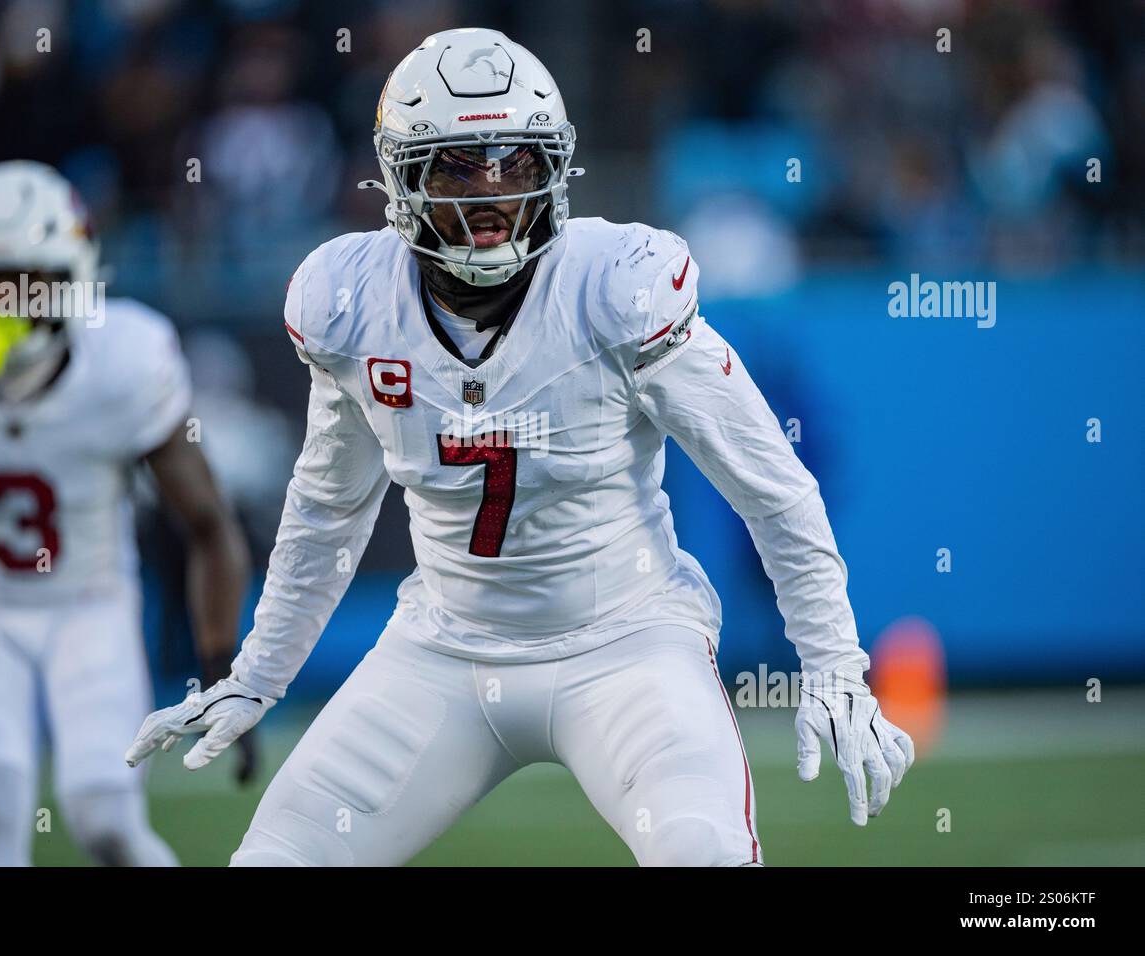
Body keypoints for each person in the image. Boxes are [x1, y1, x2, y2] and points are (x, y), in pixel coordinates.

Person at [127, 28, 913, 866]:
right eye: (461, 165)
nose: (493, 192)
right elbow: (328, 511)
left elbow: (772, 485)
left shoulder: (615, 286)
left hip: (627, 644)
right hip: (443, 650)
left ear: (554, 167)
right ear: (403, 177)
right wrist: (259, 673)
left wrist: (833, 662)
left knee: (702, 854)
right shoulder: (352, 303)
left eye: (516, 162)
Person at [0, 161, 250, 866]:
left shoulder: (123, 360)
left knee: (105, 815)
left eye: (27, 283)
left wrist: (224, 672)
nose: (6, 305)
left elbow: (208, 525)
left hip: (91, 606)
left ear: (72, 280)